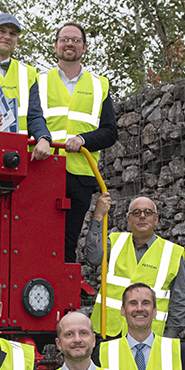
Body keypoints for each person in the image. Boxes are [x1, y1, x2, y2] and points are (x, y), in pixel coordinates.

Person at [41, 22, 118, 263]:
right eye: (64, 39)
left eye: (75, 40)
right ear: (55, 45)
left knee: (68, 240)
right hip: (43, 169)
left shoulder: (99, 85)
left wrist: (83, 139)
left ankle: (63, 298)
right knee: (38, 237)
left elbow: (110, 132)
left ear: (84, 47)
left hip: (80, 174)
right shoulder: (38, 81)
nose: (69, 44)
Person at [87, 194, 185, 338]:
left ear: (156, 220)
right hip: (107, 333)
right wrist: (98, 215)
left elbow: (179, 301)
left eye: (148, 212)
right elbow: (94, 256)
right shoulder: (115, 242)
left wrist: (169, 337)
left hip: (150, 336)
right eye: (136, 213)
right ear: (129, 220)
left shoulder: (173, 253)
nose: (142, 216)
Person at [0, 13, 52, 156]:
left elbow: (34, 116)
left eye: (13, 33)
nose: (7, 36)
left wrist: (44, 138)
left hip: (15, 155)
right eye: (2, 31)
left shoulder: (28, 73)